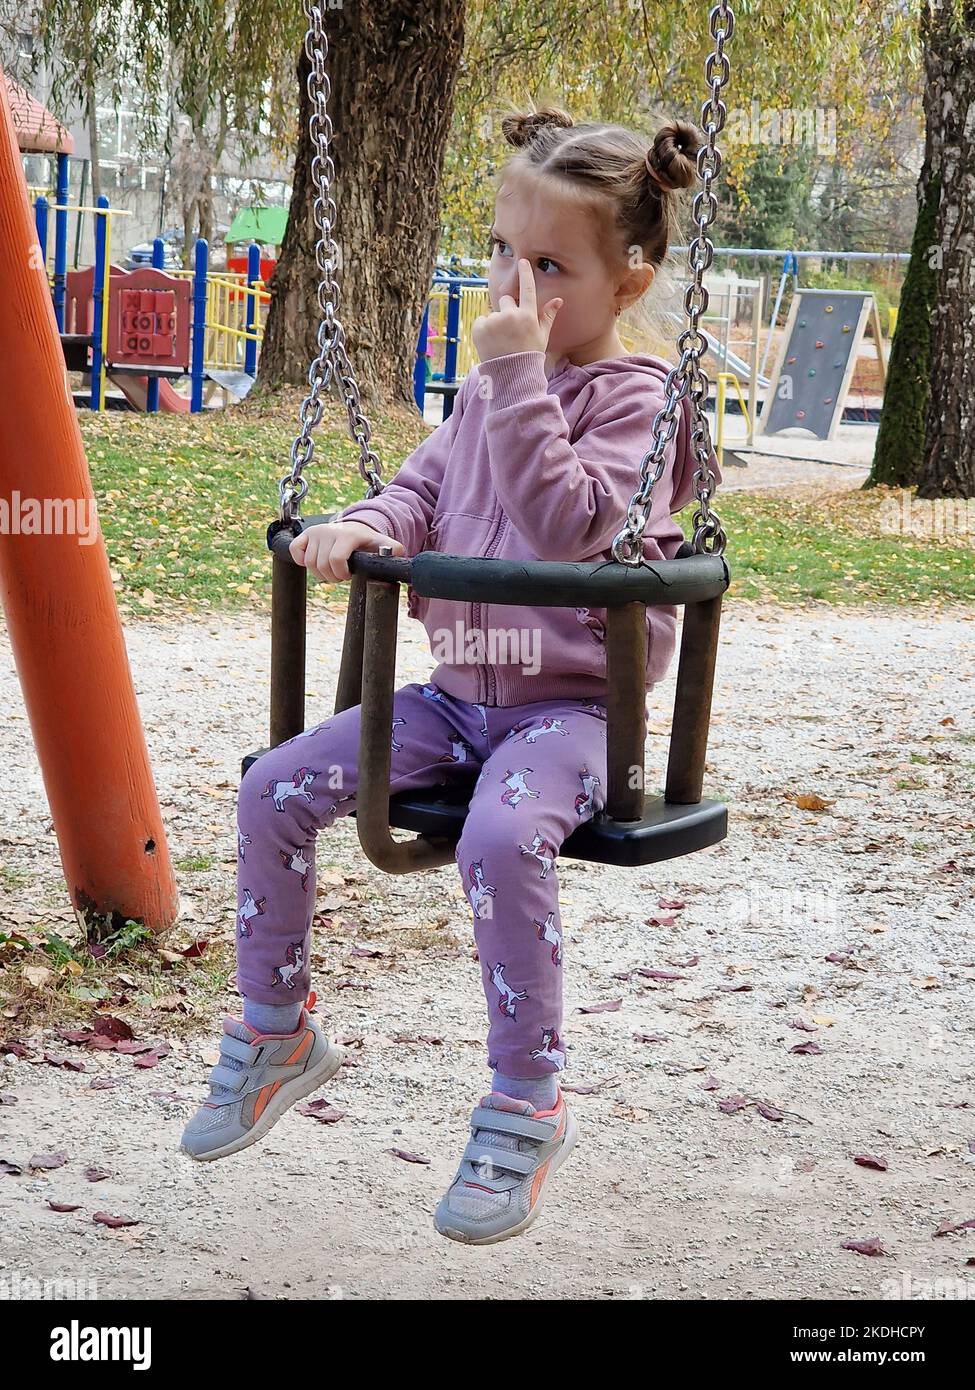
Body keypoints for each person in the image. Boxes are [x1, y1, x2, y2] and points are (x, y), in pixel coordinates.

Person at [180, 107, 722, 1246]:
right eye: (499, 253)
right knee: (270, 785)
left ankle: (527, 1100)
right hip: (453, 696)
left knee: (496, 836)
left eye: (550, 267)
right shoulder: (485, 392)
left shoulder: (642, 402)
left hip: (573, 713)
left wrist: (520, 377)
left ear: (629, 282)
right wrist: (357, 520)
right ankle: (278, 1031)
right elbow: (422, 491)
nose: (513, 287)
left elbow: (570, 526)